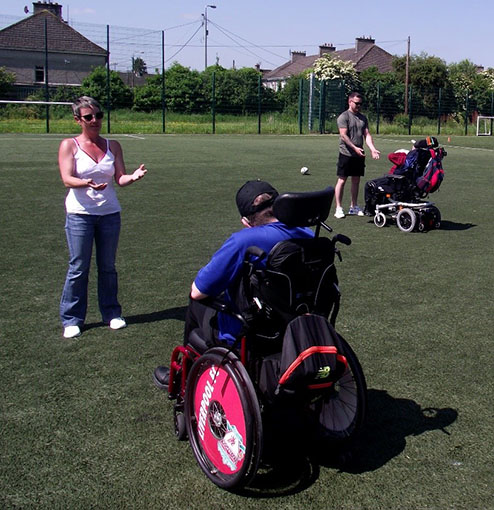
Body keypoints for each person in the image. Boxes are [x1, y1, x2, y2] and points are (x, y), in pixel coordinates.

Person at [153, 180, 314, 389]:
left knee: (196, 301)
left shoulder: (243, 240)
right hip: (300, 325)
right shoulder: (309, 234)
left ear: (246, 221)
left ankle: (184, 375)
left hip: (254, 333)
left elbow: (199, 290)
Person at [58, 96, 148, 339]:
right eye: (88, 117)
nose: (95, 120)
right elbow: (67, 178)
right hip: (80, 214)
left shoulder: (113, 145)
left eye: (98, 115)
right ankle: (72, 318)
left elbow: (119, 178)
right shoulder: (70, 145)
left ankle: (111, 313)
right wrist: (85, 182)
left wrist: (133, 176)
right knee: (79, 267)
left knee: (108, 267)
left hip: (109, 214)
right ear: (78, 120)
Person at [334, 91, 380, 218]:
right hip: (346, 153)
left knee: (356, 180)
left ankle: (353, 206)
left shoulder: (363, 118)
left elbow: (367, 135)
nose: (359, 106)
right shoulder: (343, 117)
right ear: (350, 102)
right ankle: (338, 208)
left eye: (361, 104)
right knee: (342, 180)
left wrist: (372, 149)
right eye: (357, 103)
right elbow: (343, 135)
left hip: (359, 154)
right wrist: (354, 148)